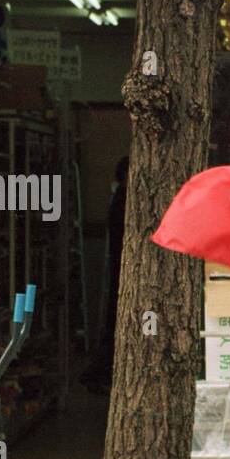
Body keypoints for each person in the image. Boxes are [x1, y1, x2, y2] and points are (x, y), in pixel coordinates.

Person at [80, 156, 128, 395]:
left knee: (114, 320)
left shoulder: (118, 197)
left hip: (120, 269)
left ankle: (99, 371)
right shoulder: (124, 198)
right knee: (117, 322)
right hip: (124, 270)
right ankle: (99, 372)